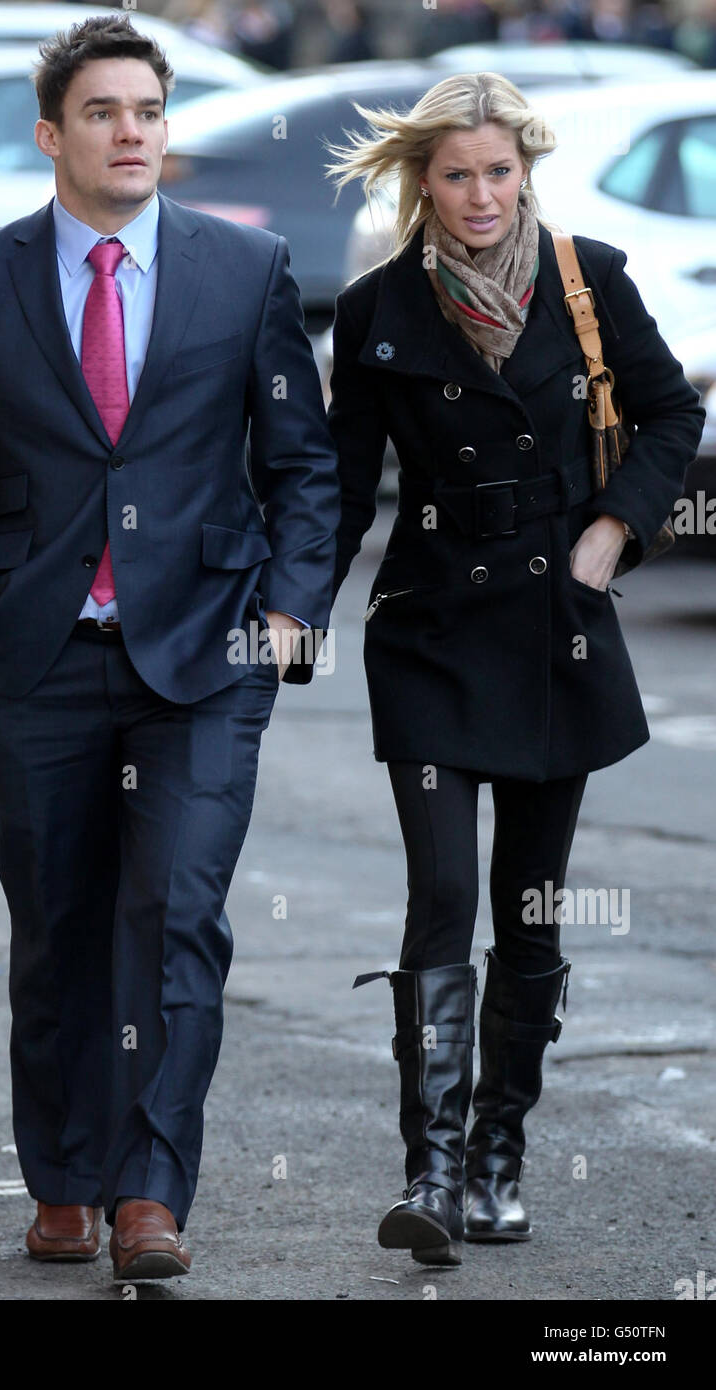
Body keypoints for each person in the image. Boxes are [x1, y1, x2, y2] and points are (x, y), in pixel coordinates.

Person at [0, 15, 338, 1284]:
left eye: (148, 109)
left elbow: (301, 466)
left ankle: (149, 1191)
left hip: (206, 657)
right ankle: (63, 1182)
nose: (132, 130)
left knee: (176, 916)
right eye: (103, 111)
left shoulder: (244, 272)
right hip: (35, 658)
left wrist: (290, 615)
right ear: (52, 134)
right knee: (60, 922)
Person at [324, 72, 705, 1267]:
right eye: (455, 174)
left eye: (498, 172)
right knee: (440, 901)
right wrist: (282, 608)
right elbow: (339, 491)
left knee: (529, 914)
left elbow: (669, 415)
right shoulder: (379, 309)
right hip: (432, 633)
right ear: (419, 182)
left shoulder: (590, 279)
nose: (480, 195)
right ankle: (431, 1173)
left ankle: (498, 1158)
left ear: (524, 171)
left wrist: (617, 529)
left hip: (559, 630)